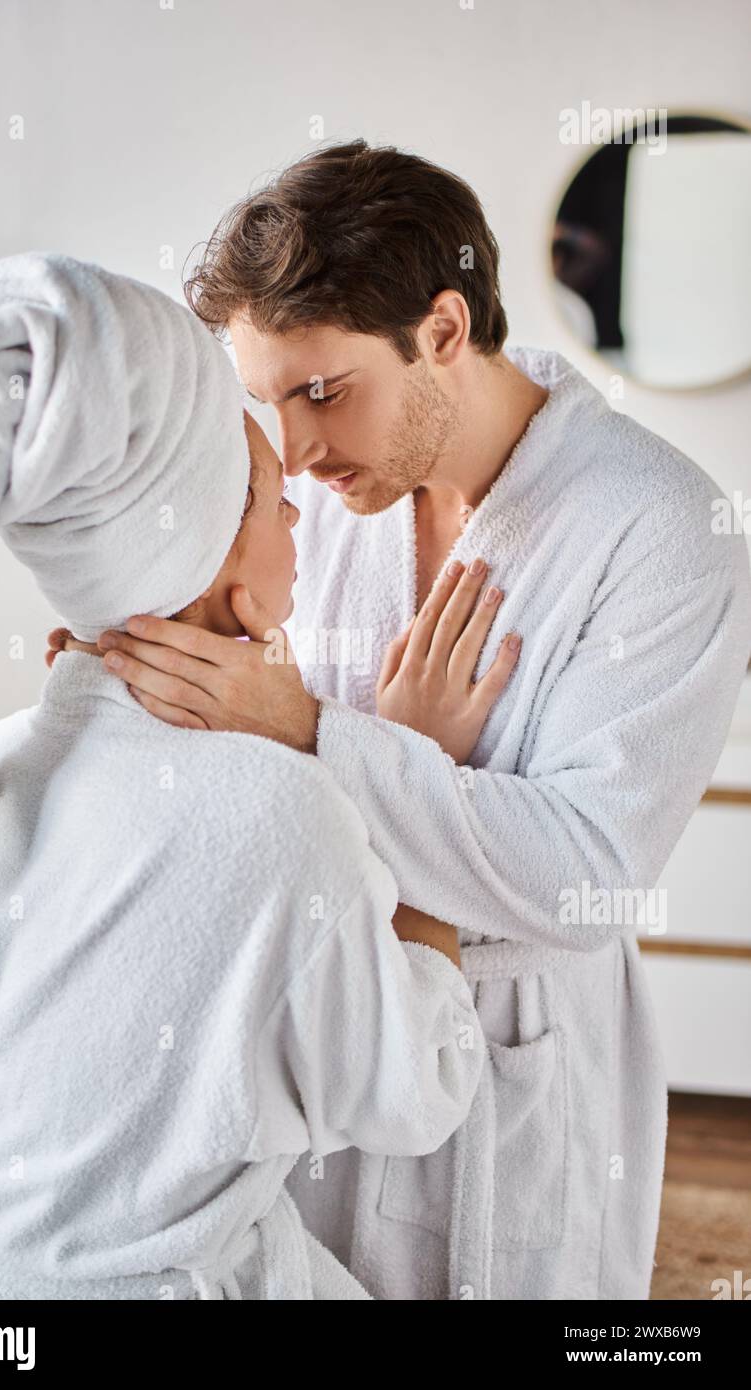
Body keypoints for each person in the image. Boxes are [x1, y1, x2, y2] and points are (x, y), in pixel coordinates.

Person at [63, 141, 751, 1300]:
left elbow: (590, 867)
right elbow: (231, 717)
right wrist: (120, 669)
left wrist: (323, 735)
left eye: (322, 390)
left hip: (516, 1064)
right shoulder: (329, 499)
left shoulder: (664, 525)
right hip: (325, 1017)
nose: (292, 451)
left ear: (441, 331)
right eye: (269, 400)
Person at [0, 251, 512, 1299]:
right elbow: (421, 1086)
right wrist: (415, 768)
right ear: (231, 580)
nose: (300, 513)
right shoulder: (287, 812)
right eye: (270, 498)